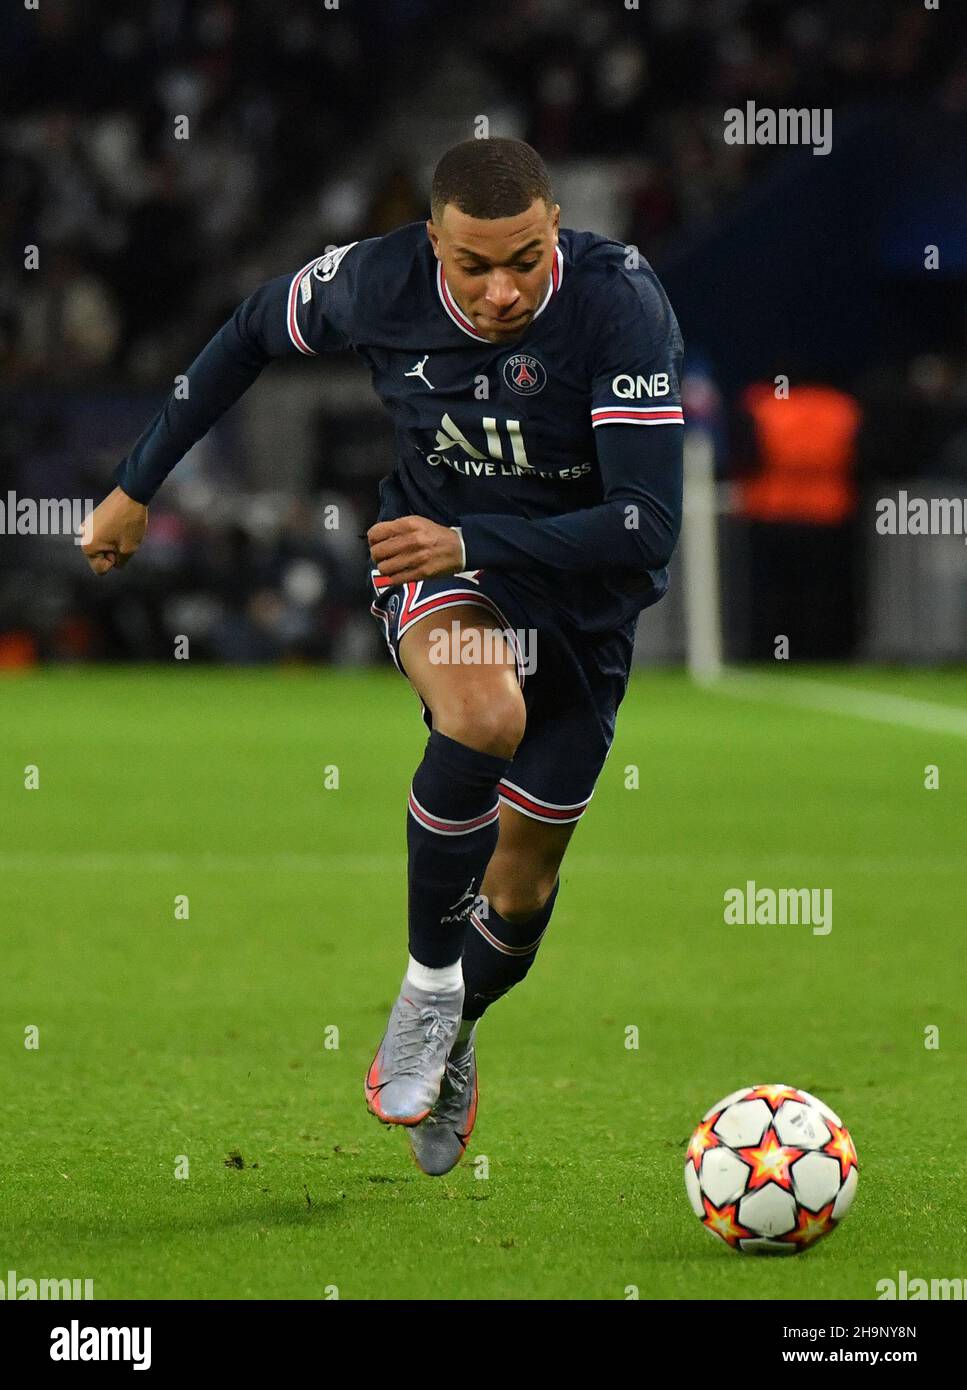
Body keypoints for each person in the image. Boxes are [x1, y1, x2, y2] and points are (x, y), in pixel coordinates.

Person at [82, 138, 684, 1176]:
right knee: (482, 714)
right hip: (436, 561)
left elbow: (643, 527)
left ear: (555, 233)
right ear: (433, 243)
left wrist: (478, 539)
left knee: (523, 886)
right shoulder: (373, 279)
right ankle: (427, 985)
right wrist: (138, 483)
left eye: (527, 259)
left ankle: (455, 1029)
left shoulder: (619, 301)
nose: (503, 290)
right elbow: (242, 334)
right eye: (473, 266)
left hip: (581, 605)